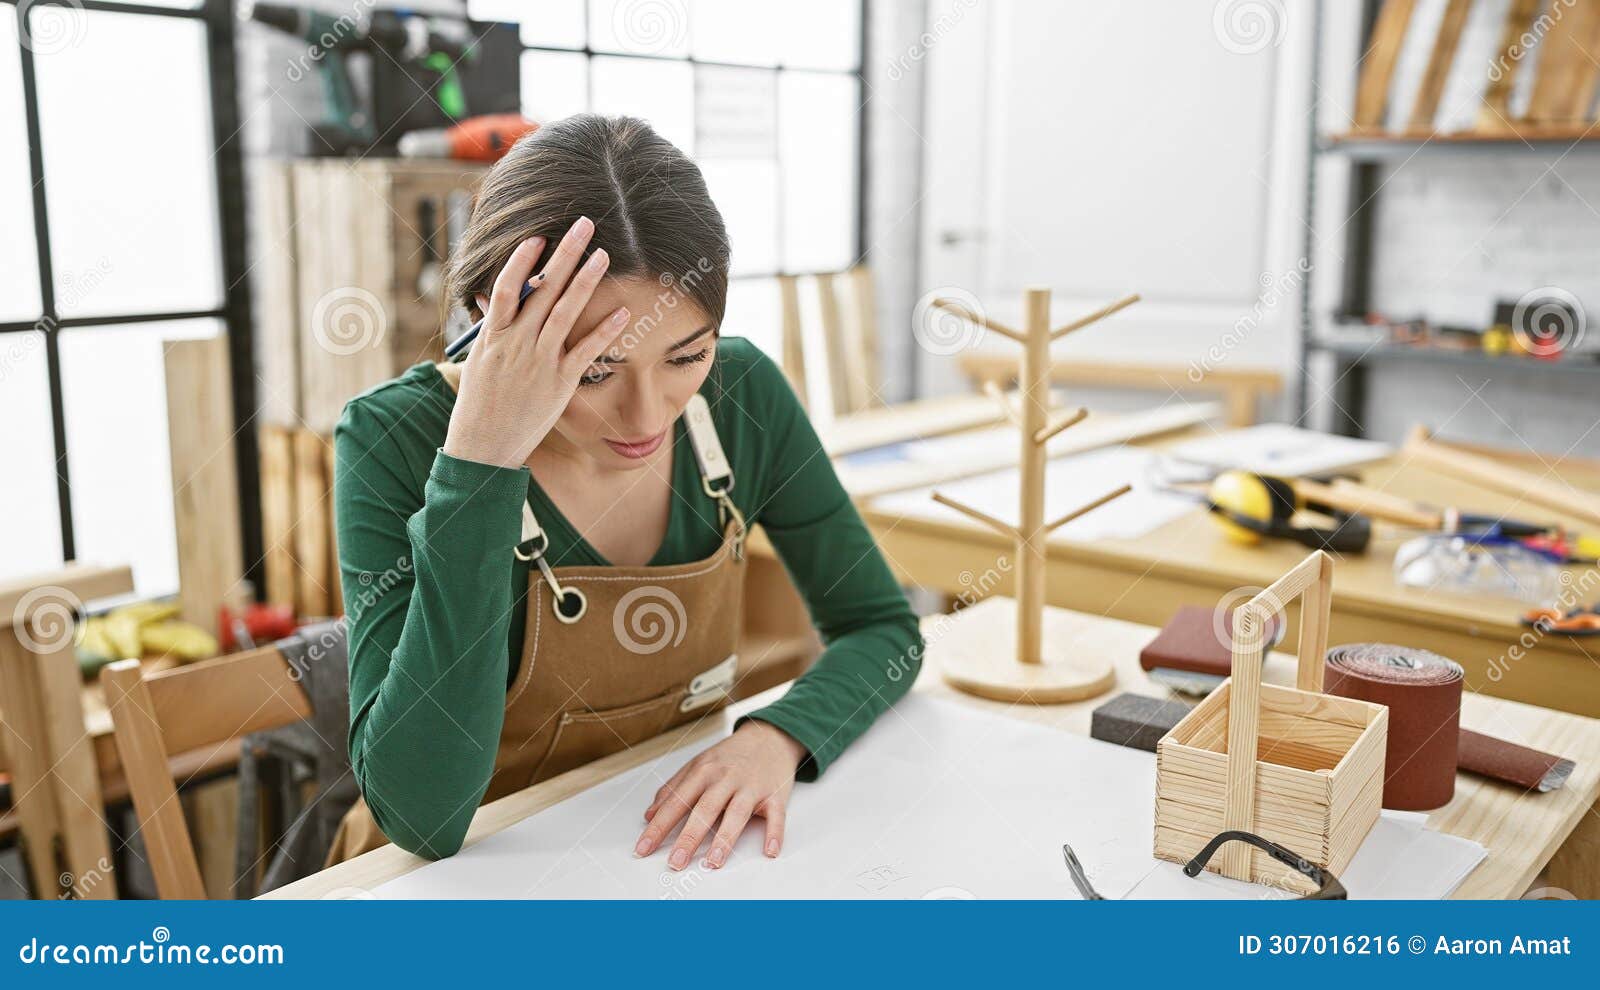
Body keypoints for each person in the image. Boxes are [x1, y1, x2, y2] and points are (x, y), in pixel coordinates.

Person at [328, 114, 923, 872]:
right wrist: (481, 461)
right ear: (491, 316)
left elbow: (884, 629)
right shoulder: (394, 438)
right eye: (596, 371)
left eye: (686, 356)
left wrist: (777, 735)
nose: (647, 419)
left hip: (656, 862)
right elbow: (422, 814)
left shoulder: (743, 394)